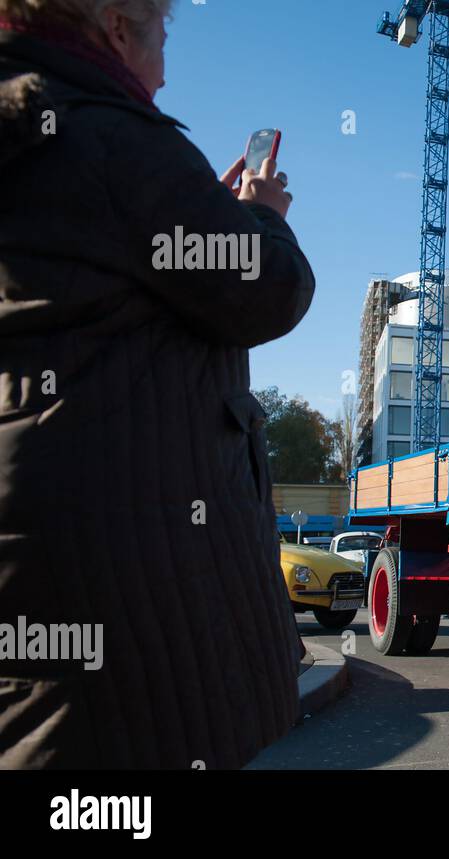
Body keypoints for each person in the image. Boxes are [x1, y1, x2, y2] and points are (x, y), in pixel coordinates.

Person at [1, 0, 315, 767]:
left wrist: (190, 210)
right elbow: (268, 288)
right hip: (125, 565)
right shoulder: (109, 134)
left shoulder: (34, 126)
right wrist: (263, 217)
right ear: (116, 24)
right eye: (163, 33)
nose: (168, 66)